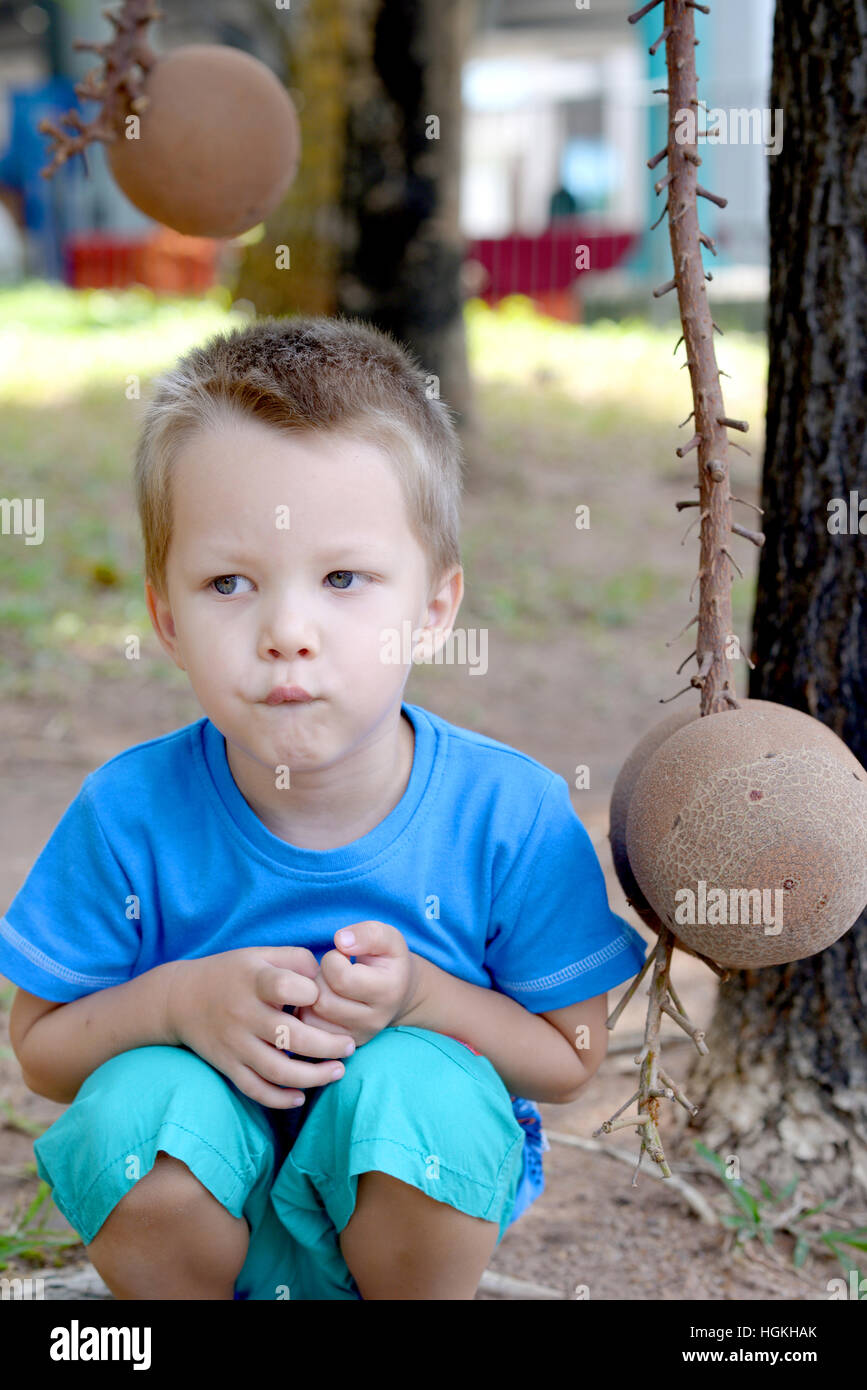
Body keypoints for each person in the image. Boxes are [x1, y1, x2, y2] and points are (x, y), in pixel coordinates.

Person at [1, 314, 647, 1300]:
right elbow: (42, 1049)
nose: (288, 632)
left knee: (417, 1087)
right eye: (230, 582)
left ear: (435, 604)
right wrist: (175, 1002)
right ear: (166, 617)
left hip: (403, 1238)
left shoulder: (505, 811)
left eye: (344, 578)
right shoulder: (130, 810)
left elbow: (571, 1058)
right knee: (139, 1101)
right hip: (201, 1236)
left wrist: (424, 996)